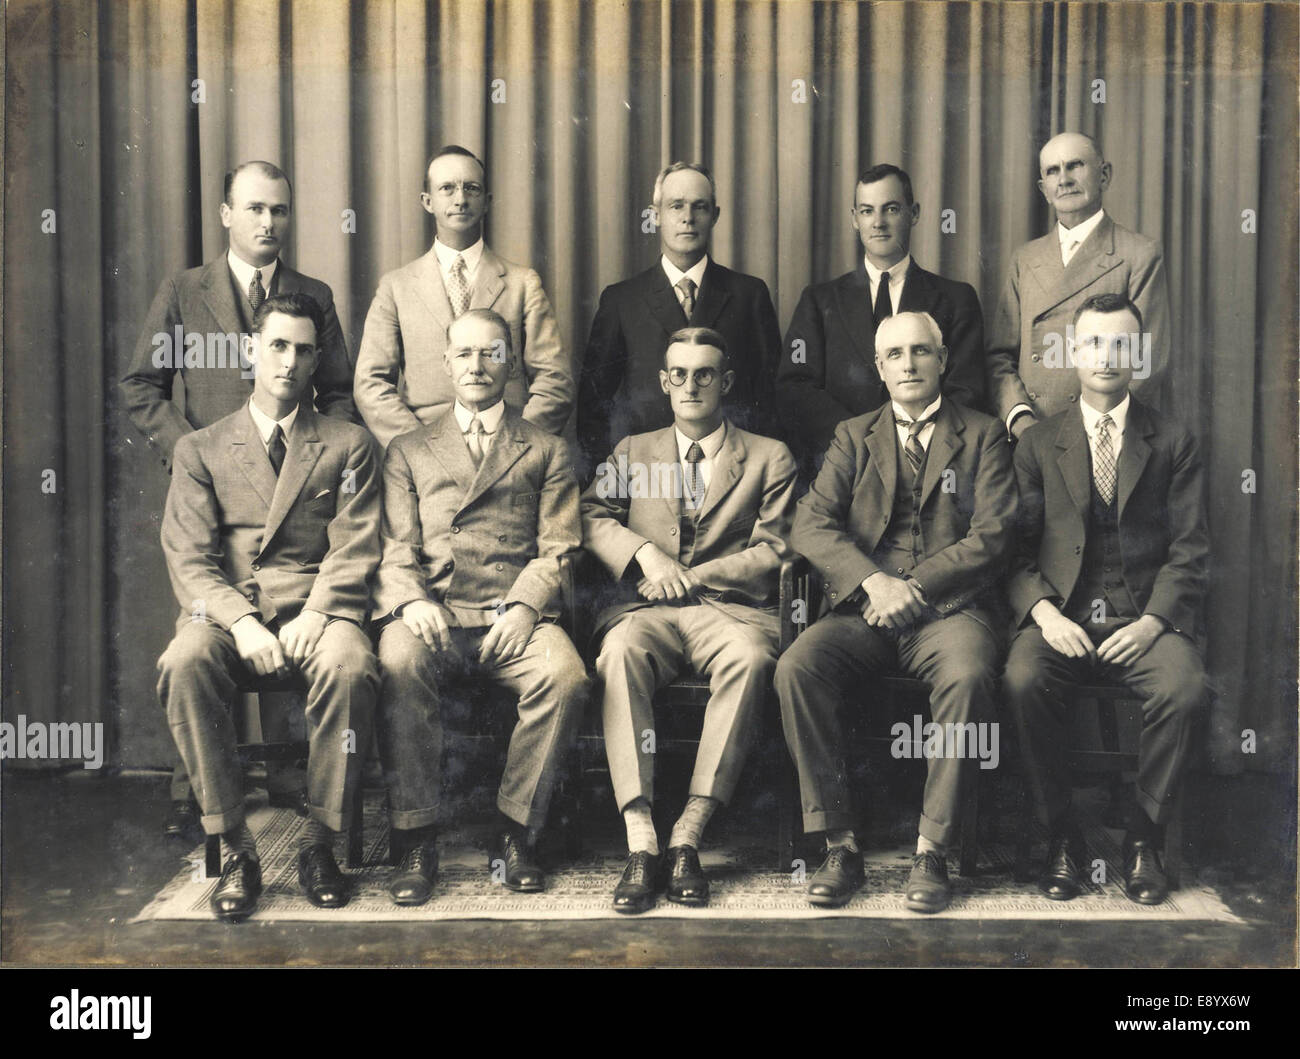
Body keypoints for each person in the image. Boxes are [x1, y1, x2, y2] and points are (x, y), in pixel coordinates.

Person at [121, 160, 356, 836]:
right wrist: (197, 450)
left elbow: (337, 389)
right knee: (206, 629)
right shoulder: (183, 290)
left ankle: (292, 774)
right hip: (210, 494)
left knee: (292, 611)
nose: (268, 222)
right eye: (254, 208)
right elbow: (143, 385)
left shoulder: (312, 292)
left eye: (279, 210)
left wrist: (328, 452)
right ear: (227, 215)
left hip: (299, 481)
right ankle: (195, 789)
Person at [774, 311, 1017, 914]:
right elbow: (810, 522)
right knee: (796, 667)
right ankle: (840, 844)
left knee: (966, 676)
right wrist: (875, 583)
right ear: (879, 369)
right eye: (895, 356)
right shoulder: (854, 436)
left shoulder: (984, 434)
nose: (909, 365)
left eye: (921, 352)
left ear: (943, 360)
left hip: (951, 612)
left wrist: (915, 585)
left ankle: (932, 850)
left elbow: (994, 534)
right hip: (865, 610)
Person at [156, 293, 381, 921]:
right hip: (232, 612)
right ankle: (235, 846)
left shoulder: (347, 443)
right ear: (252, 350)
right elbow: (190, 560)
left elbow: (358, 543)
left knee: (351, 667)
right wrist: (243, 622)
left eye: (303, 349)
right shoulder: (200, 448)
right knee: (184, 661)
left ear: (316, 362)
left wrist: (319, 613)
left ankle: (319, 843)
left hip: (319, 606)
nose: (289, 361)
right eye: (277, 345)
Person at [373, 308, 589, 906]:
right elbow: (394, 547)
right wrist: (412, 601)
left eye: (490, 353)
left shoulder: (545, 448)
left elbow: (559, 547)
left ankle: (518, 831)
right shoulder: (408, 449)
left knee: (565, 676)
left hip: (509, 613)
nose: (476, 365)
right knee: (396, 664)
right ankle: (415, 837)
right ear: (444, 363)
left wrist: (524, 607)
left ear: (511, 364)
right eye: (463, 354)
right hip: (434, 614)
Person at [581, 327, 798, 913]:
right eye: (679, 373)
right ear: (663, 382)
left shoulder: (769, 455)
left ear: (725, 382)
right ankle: (641, 836)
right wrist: (647, 554)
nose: (692, 385)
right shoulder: (633, 450)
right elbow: (592, 514)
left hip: (729, 611)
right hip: (647, 608)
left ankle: (690, 833)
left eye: (706, 374)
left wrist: (694, 576)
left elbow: (777, 547)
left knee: (753, 659)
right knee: (619, 652)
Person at [1002, 293, 1208, 906]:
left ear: (1138, 354)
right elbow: (1012, 554)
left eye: (1122, 343)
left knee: (1184, 687)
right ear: (1072, 352)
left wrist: (1152, 624)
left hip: (1142, 617)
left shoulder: (1172, 440)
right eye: (1094, 342)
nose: (1107, 355)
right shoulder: (1039, 443)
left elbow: (1191, 549)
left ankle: (1144, 835)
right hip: (1060, 615)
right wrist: (1042, 613)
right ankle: (1062, 833)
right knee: (1019, 680)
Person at [354, 145, 572, 449]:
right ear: (427, 201)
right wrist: (421, 448)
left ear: (487, 202)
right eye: (447, 188)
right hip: (424, 451)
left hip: (507, 447)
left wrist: (516, 444)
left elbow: (555, 381)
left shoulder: (522, 284)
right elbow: (370, 384)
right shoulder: (396, 287)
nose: (460, 199)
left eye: (471, 188)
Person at [577, 162, 782, 481]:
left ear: (714, 215)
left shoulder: (749, 294)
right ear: (656, 214)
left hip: (733, 476)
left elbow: (771, 398)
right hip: (646, 477)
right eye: (676, 206)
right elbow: (593, 404)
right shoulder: (621, 300)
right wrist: (612, 478)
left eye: (699, 207)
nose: (688, 217)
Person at [778, 164, 985, 475]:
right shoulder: (820, 300)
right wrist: (859, 442)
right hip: (843, 464)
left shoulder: (956, 298)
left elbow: (966, 388)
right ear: (854, 218)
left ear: (913, 213)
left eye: (891, 209)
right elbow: (795, 386)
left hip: (929, 464)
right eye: (866, 211)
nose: (878, 223)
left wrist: (912, 440)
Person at [986, 132, 1171, 439]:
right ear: (1043, 189)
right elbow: (999, 358)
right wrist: (1020, 420)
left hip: (1100, 437)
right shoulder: (1025, 258)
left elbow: (1146, 359)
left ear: (1104, 174)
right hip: (1029, 436)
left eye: (1075, 166)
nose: (1064, 179)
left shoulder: (1139, 254)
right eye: (1052, 171)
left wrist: (1094, 431)